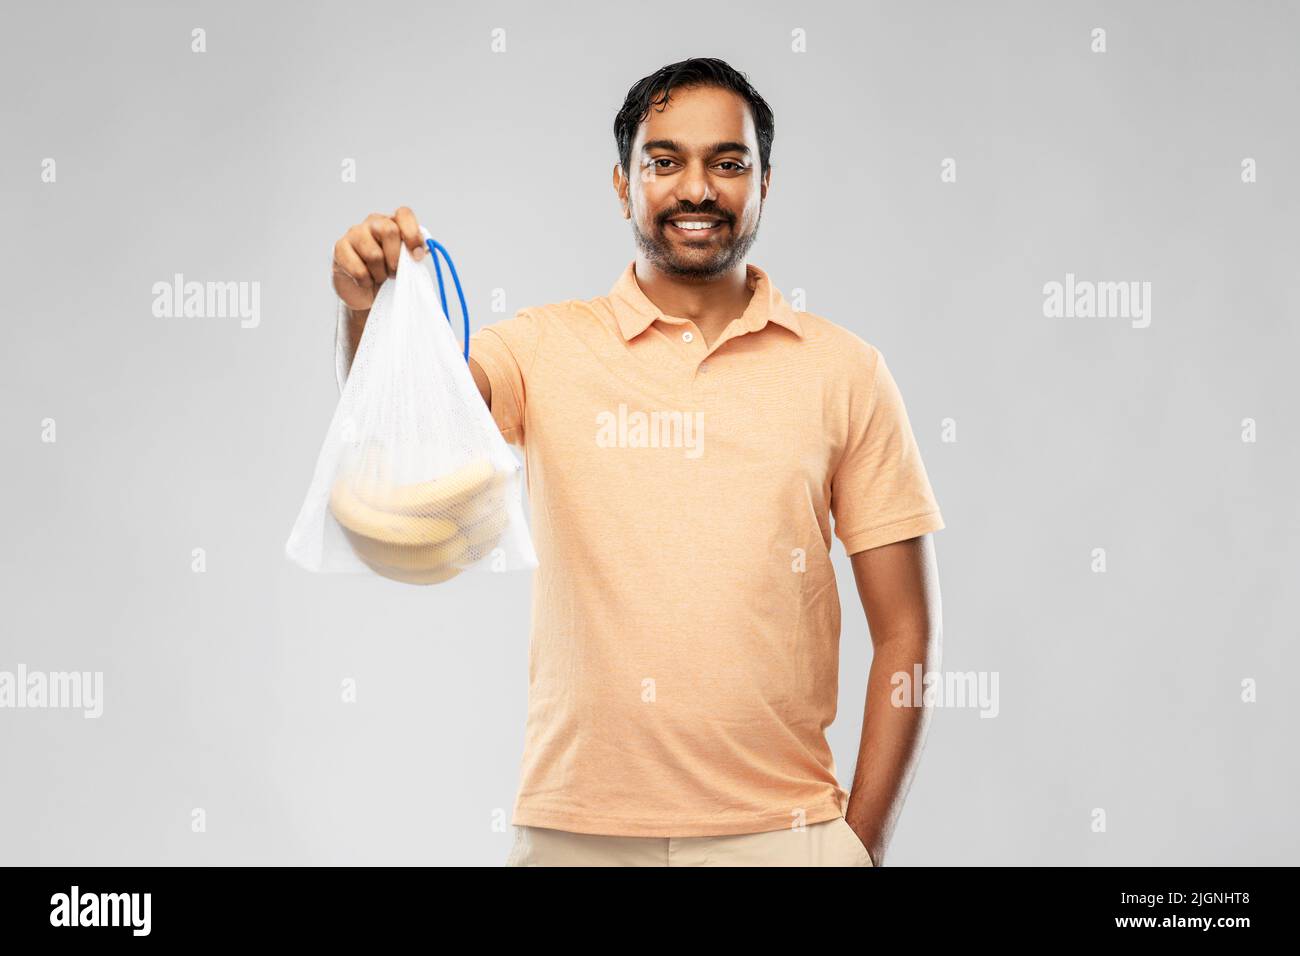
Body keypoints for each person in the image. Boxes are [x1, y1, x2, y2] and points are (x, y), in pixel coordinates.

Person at [329, 57, 944, 867]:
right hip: (574, 837)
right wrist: (368, 308)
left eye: (729, 163)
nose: (698, 188)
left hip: (784, 836)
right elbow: (415, 441)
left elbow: (906, 632)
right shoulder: (540, 348)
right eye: (665, 161)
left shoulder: (846, 372)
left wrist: (860, 850)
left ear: (765, 183)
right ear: (623, 183)